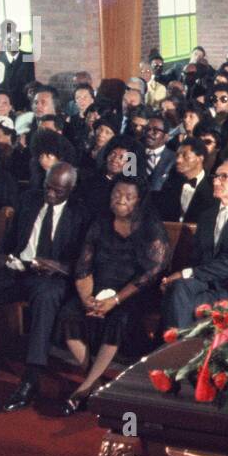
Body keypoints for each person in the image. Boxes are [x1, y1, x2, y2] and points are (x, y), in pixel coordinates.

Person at [0, 162, 90, 411]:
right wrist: (3, 258)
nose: (51, 194)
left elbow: (85, 262)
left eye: (58, 191)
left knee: (45, 299)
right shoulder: (30, 199)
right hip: (15, 275)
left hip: (51, 280)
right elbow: (7, 242)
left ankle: (31, 378)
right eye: (48, 188)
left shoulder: (81, 212)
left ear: (71, 189)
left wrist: (58, 266)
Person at [57, 177, 170, 414]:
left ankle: (81, 392)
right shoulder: (100, 222)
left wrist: (115, 300)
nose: (121, 200)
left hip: (133, 291)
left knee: (118, 319)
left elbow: (152, 272)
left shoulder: (150, 227)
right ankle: (96, 386)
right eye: (117, 194)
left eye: (128, 196)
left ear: (139, 200)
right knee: (69, 314)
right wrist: (86, 297)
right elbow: (83, 266)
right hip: (98, 286)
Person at [161, 159, 228, 329]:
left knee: (179, 294)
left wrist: (187, 273)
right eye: (216, 176)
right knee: (177, 288)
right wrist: (184, 275)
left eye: (224, 177)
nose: (216, 181)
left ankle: (175, 348)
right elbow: (196, 257)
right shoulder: (207, 216)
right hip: (203, 283)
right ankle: (179, 349)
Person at [155, 138, 215, 223]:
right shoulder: (169, 184)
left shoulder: (213, 187)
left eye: (185, 156)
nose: (178, 160)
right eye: (177, 155)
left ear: (200, 158)